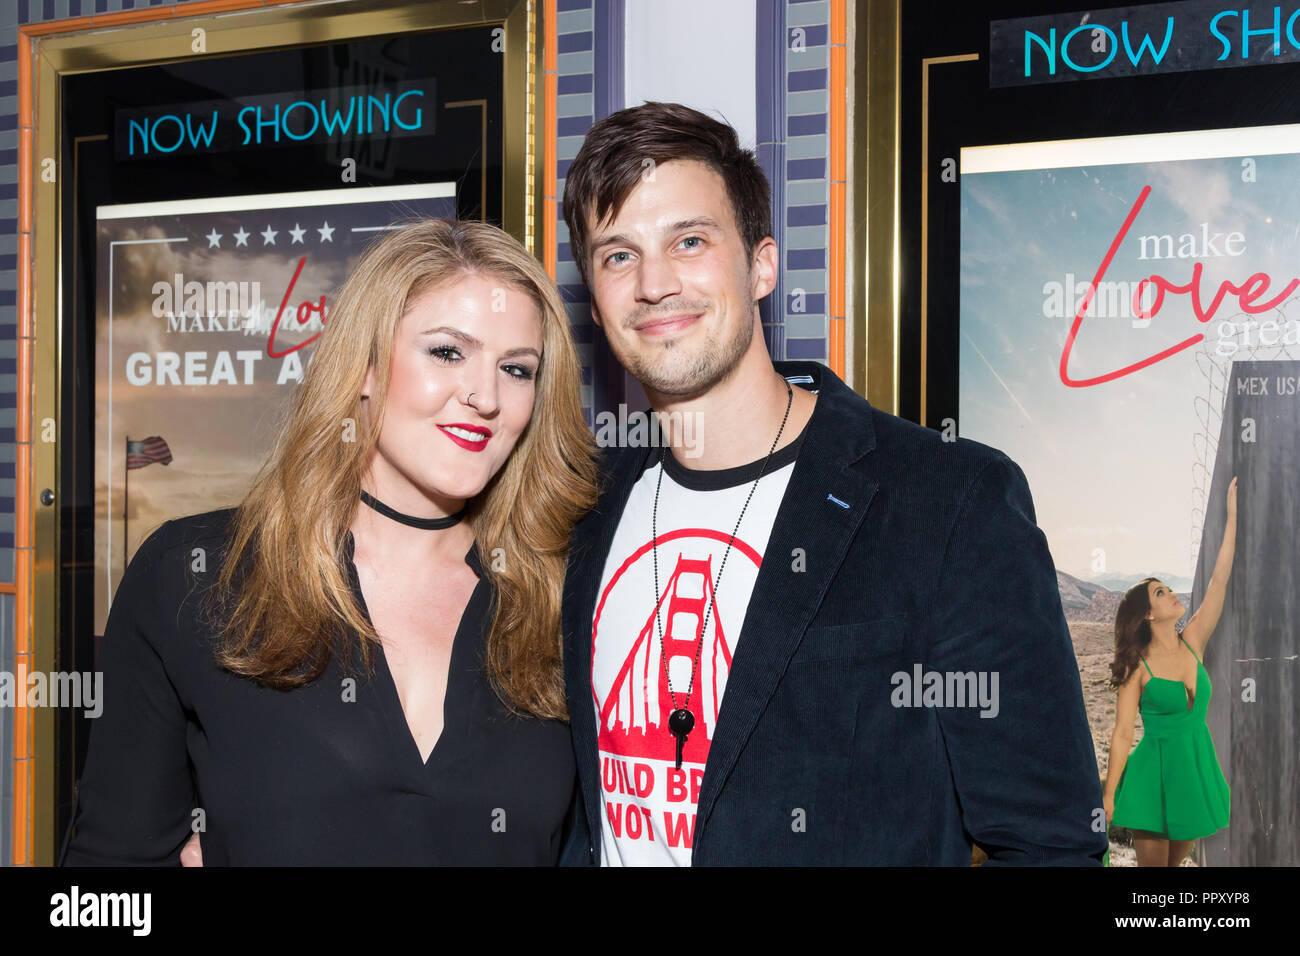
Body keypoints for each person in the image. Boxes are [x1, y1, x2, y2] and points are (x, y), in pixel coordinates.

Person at [557, 101, 1107, 865]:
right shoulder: (582, 501)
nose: (654, 284)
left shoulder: (946, 501)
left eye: (689, 241)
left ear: (762, 265)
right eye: (618, 255)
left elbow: (1048, 844)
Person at [61, 219, 599, 865]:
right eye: (448, 352)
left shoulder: (566, 594)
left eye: (516, 369)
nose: (485, 396)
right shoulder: (196, 576)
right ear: (366, 367)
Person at [1103, 477, 1237, 867]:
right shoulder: (1136, 667)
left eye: (1167, 588)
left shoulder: (1192, 641)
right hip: (1153, 778)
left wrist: (1232, 519)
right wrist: (1110, 795)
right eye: (1160, 593)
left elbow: (1218, 582)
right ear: (1147, 614)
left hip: (1193, 771)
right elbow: (1123, 733)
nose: (1172, 593)